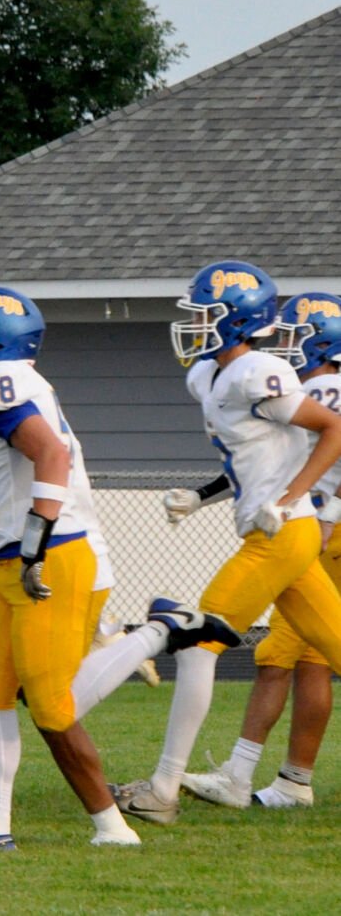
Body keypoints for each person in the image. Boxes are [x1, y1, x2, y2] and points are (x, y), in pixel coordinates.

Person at [0, 285, 242, 850]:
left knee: (51, 707)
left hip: (51, 555)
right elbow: (1, 513)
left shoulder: (2, 381)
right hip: (25, 554)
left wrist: (37, 541)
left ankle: (114, 828)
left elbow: (52, 456)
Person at [115, 261, 341, 824]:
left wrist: (298, 500)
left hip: (292, 531)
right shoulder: (214, 376)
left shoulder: (273, 375)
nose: (190, 323)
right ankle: (233, 779)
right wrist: (203, 495)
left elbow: (331, 438)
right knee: (318, 649)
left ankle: (162, 789)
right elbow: (258, 460)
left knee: (199, 641)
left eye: (204, 315)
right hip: (287, 528)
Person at [178, 291, 341, 810]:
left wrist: (315, 511)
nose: (284, 346)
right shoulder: (283, 384)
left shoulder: (321, 388)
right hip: (303, 524)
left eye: (295, 335)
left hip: (316, 530)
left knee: (278, 654)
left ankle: (228, 778)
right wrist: (203, 496)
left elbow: (323, 448)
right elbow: (263, 459)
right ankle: (281, 780)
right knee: (298, 656)